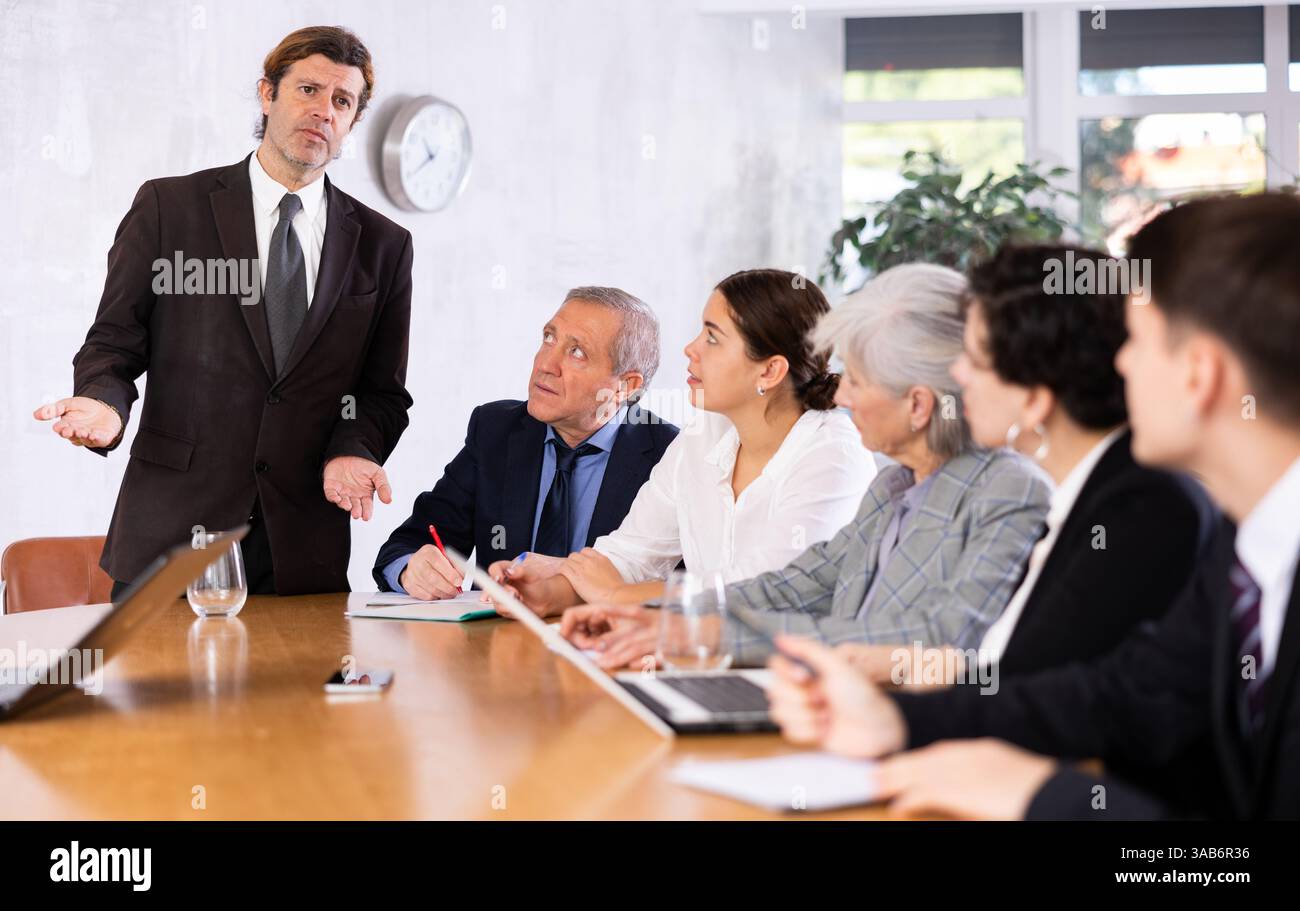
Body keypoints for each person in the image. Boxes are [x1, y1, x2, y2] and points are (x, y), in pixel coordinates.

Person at [767, 193, 1300, 820]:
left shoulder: (1150, 506)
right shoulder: (1246, 549)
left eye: (1140, 341)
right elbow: (1122, 696)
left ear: (1200, 373)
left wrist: (1040, 794)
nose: (1119, 361)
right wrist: (895, 720)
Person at [33, 26, 413, 596]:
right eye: (308, 90)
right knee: (148, 691)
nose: (324, 112)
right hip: (169, 542)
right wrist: (104, 403)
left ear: (353, 120)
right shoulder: (170, 207)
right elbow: (114, 342)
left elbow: (381, 393)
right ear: (267, 94)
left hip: (301, 552)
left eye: (342, 101)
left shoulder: (384, 245)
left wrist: (350, 452)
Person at [559, 263, 1051, 668]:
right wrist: (665, 623)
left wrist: (673, 622)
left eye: (856, 379)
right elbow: (793, 587)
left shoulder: (1008, 488)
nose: (841, 394)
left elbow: (931, 641)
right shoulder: (895, 486)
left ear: (919, 406)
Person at [832, 244, 1214, 688]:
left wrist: (902, 711)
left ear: (1034, 401)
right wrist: (909, 668)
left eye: (974, 360)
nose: (957, 374)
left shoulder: (1141, 508)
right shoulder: (1088, 497)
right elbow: (1022, 669)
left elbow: (1049, 694)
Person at [484, 269, 876, 623]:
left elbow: (765, 595)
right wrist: (546, 594)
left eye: (712, 338)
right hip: (705, 667)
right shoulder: (704, 435)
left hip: (799, 684)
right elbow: (631, 556)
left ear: (769, 371)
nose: (691, 349)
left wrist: (615, 595)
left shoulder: (834, 455)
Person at [372, 287, 678, 599]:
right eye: (549, 338)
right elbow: (409, 542)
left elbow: (692, 591)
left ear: (626, 386)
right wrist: (412, 569)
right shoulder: (496, 431)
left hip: (610, 642)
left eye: (577, 352)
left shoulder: (671, 455)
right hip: (500, 642)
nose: (546, 364)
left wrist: (566, 576)